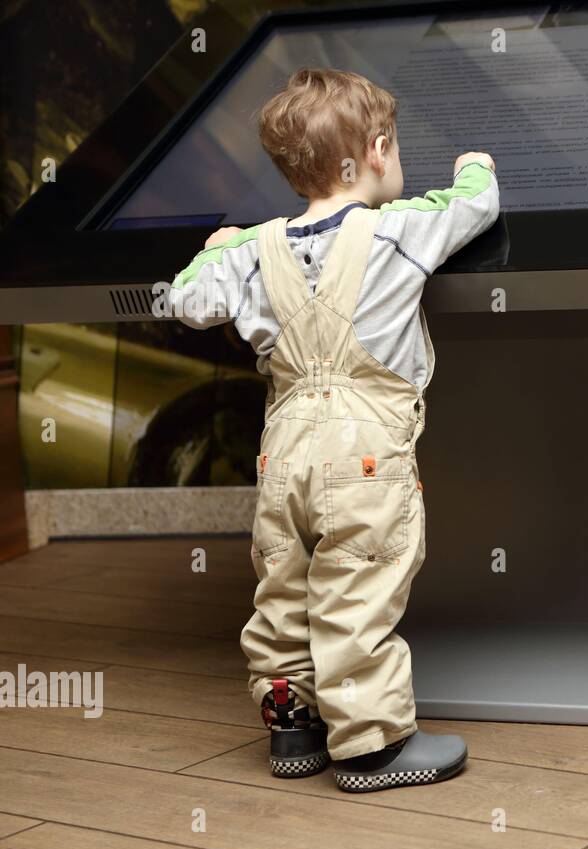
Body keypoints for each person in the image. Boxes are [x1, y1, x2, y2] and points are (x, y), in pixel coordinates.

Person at [167, 68, 499, 791]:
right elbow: (474, 205)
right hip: (366, 459)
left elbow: (186, 299)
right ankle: (372, 746)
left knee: (282, 584)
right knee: (357, 586)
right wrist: (477, 167)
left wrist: (220, 246)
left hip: (283, 453)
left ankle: (293, 724)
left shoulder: (255, 249)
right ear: (378, 152)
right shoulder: (399, 230)